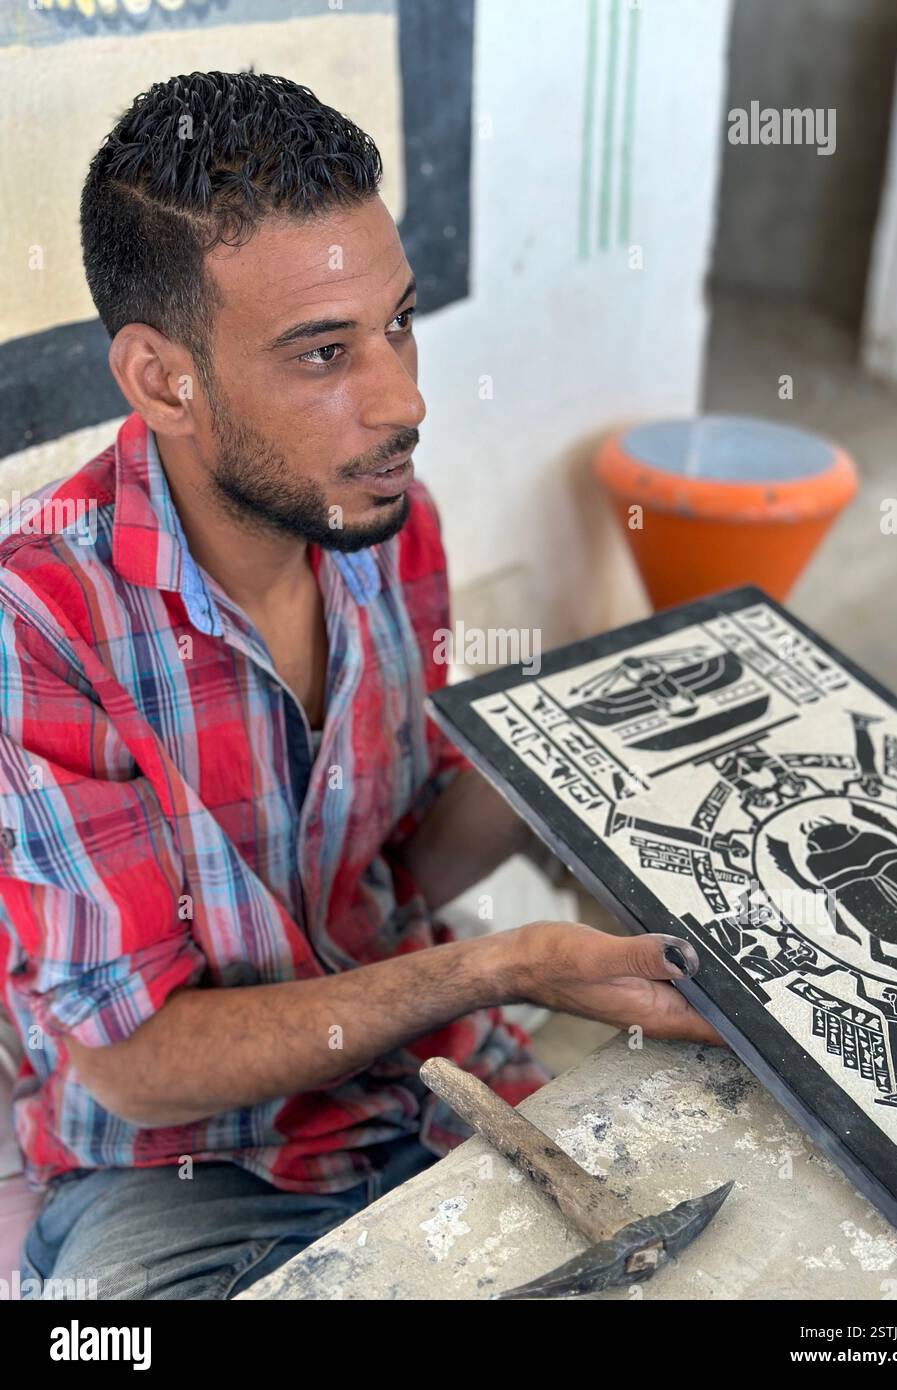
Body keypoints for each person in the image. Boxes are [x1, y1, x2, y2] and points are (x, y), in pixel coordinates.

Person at [1, 70, 720, 1300]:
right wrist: (497, 968)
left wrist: (562, 737)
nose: (404, 399)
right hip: (182, 1170)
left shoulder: (387, 519)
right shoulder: (41, 617)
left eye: (398, 322)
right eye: (325, 352)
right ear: (163, 380)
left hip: (425, 1080)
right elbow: (135, 1065)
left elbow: (396, 869)